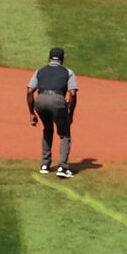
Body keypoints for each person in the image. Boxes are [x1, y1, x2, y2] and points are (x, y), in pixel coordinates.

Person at [25, 46, 78, 178]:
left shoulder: (40, 71)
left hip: (40, 101)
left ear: (49, 59)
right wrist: (70, 113)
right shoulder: (68, 72)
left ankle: (44, 165)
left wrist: (32, 113)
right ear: (62, 59)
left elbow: (29, 91)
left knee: (47, 129)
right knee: (64, 134)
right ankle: (63, 167)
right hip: (58, 101)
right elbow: (72, 93)